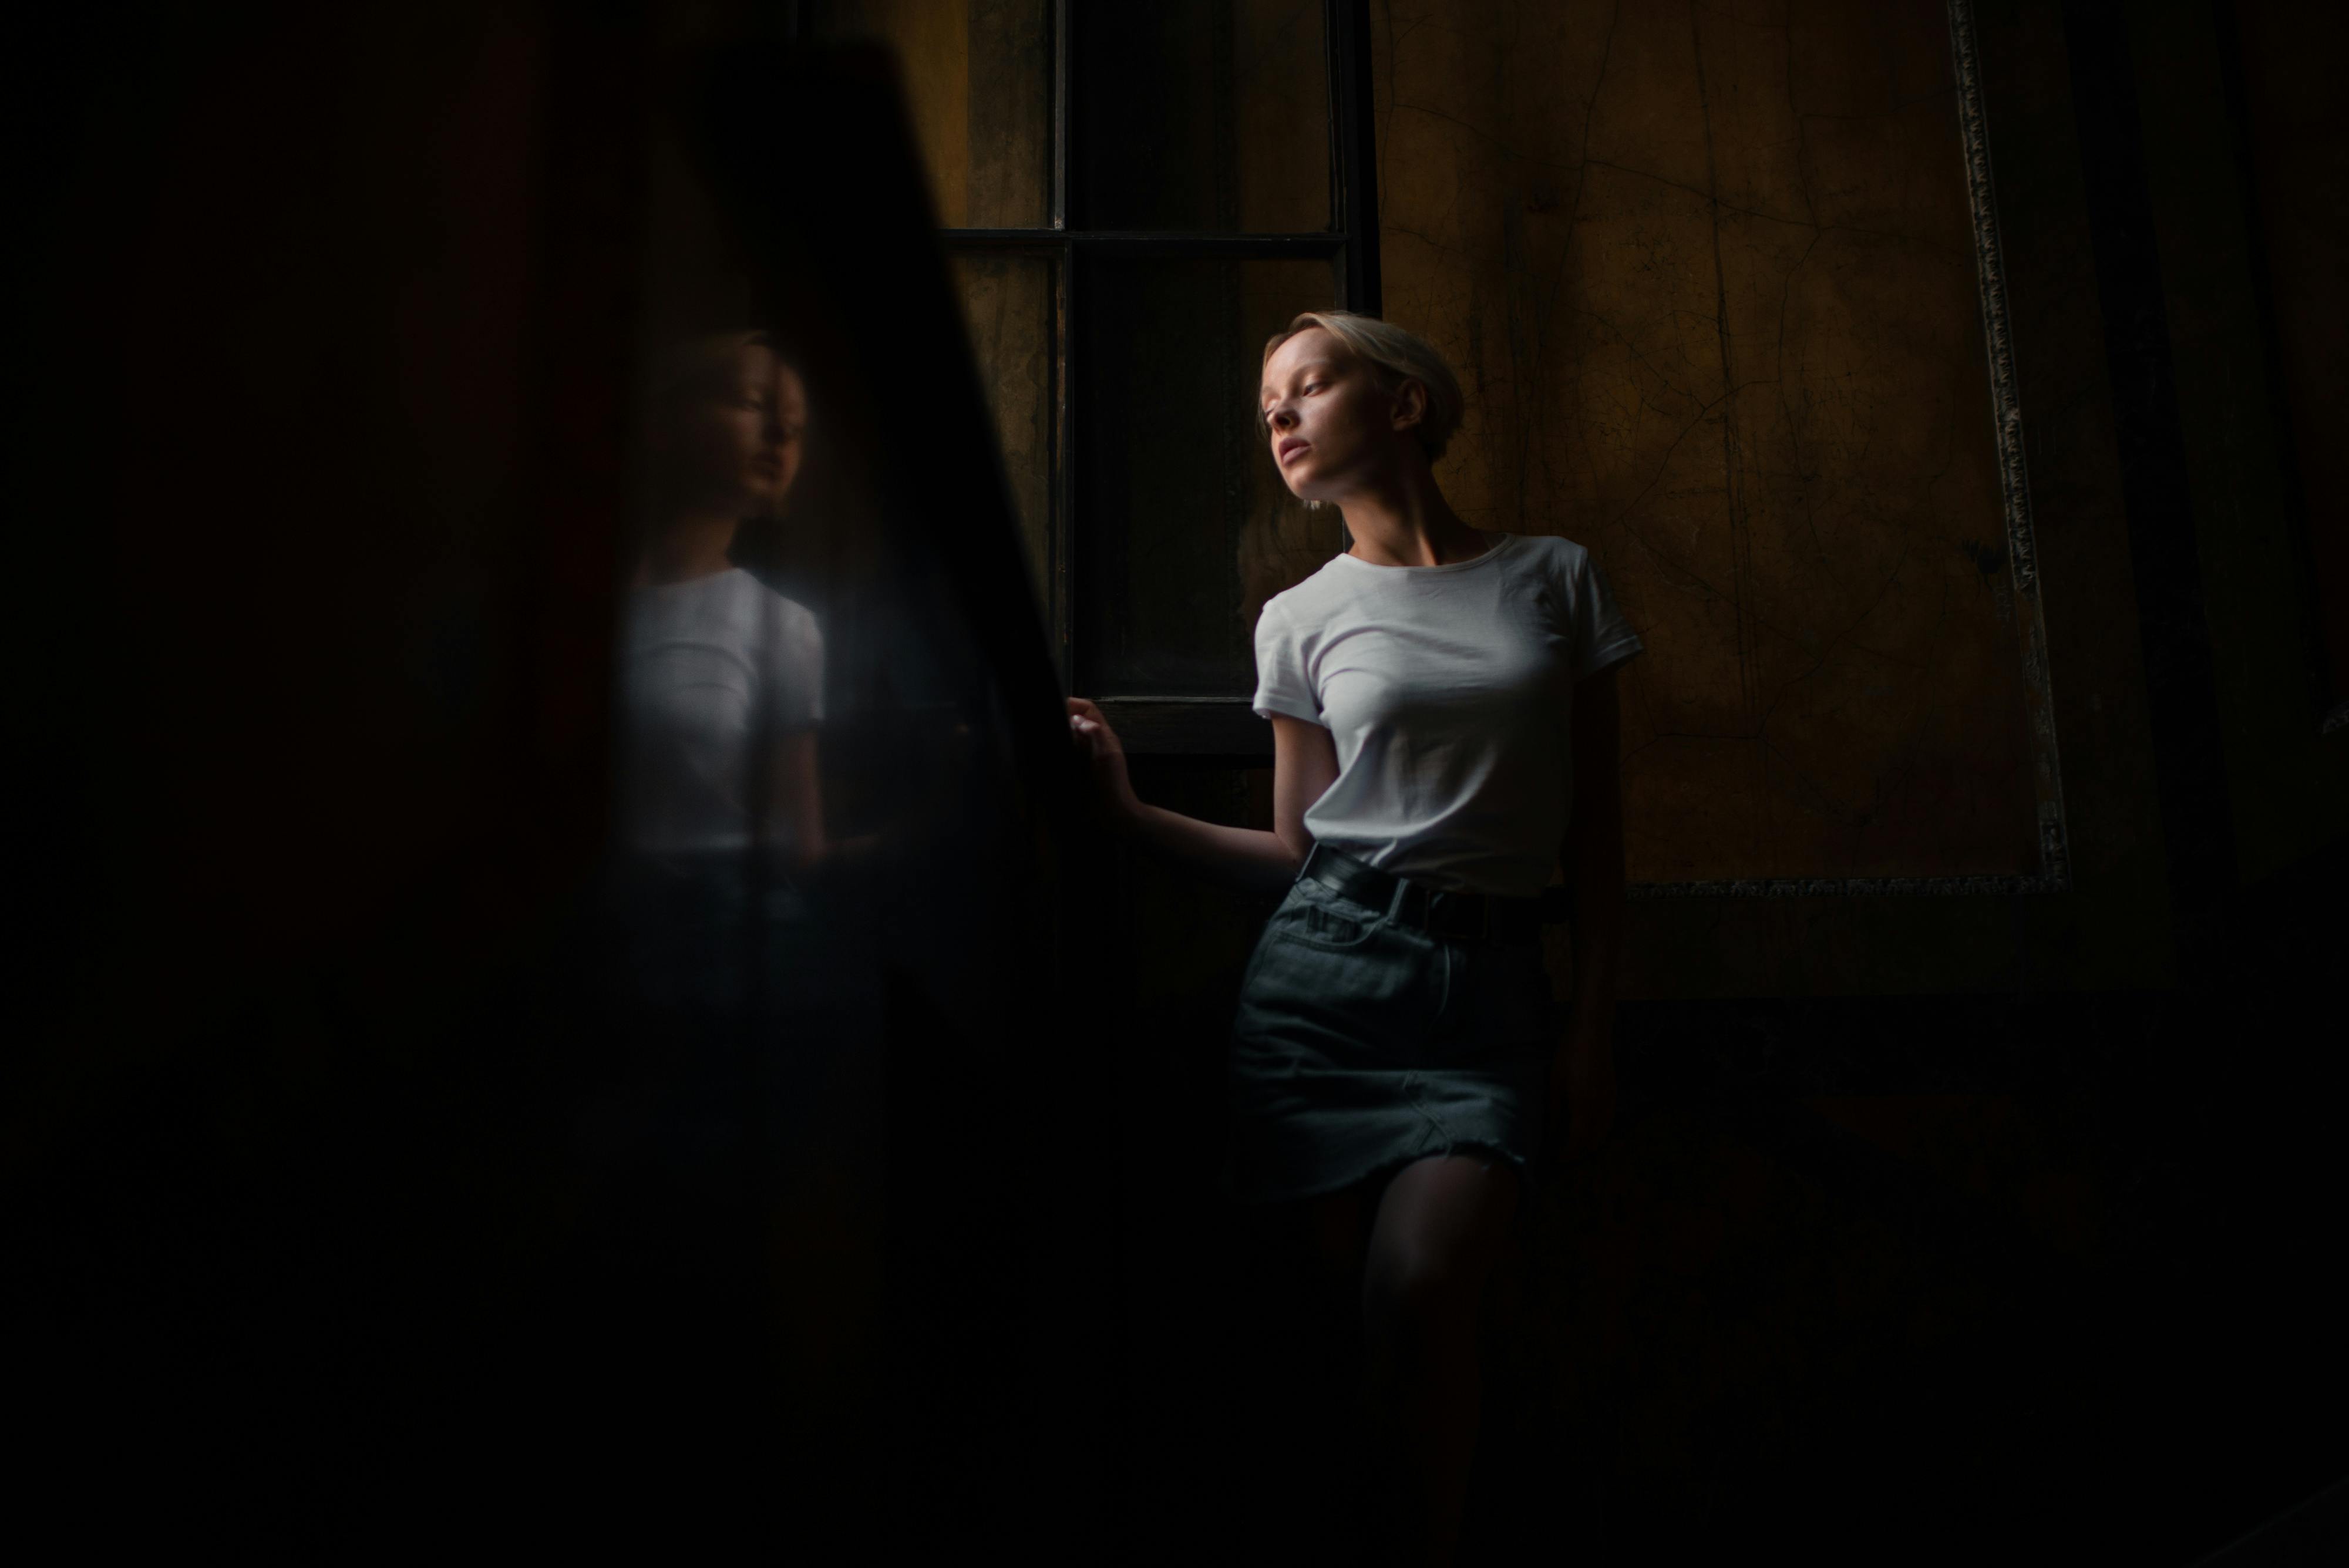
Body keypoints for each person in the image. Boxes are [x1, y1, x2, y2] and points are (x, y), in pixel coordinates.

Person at [1068, 311, 1642, 1565]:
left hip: (1489, 1003)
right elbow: (1292, 854)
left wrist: (1590, 1028)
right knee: (1314, 1346)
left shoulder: (1553, 576)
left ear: (1400, 404)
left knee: (1422, 1290)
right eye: (1264, 401)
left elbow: (1598, 840)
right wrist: (1124, 815)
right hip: (1321, 992)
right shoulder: (1296, 616)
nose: (1276, 415)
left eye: (1305, 386)